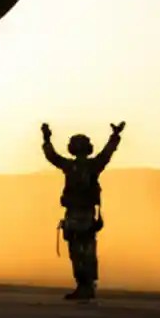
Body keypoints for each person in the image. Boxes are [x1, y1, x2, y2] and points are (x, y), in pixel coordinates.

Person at [42, 121, 125, 301]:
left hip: (80, 215)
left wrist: (47, 139)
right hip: (80, 215)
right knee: (82, 252)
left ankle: (85, 286)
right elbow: (107, 153)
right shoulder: (90, 166)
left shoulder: (74, 166)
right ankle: (84, 286)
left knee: (81, 252)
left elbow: (52, 156)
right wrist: (115, 136)